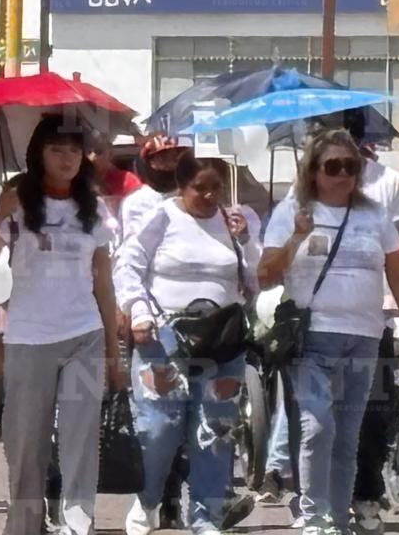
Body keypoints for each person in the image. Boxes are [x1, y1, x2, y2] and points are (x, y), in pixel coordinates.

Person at [258, 128, 399, 535]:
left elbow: (398, 277)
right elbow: (265, 276)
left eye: (352, 166)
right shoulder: (292, 211)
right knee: (318, 427)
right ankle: (315, 517)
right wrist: (297, 236)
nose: (344, 174)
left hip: (364, 335)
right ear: (313, 171)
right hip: (313, 335)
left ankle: (338, 515)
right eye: (333, 166)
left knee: (348, 431)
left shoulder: (374, 215)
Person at [0, 113, 125, 535]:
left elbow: (105, 285)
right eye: (57, 149)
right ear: (38, 153)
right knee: (26, 446)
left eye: (74, 150)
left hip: (84, 337)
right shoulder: (16, 202)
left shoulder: (91, 207)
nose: (67, 158)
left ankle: (79, 524)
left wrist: (113, 354)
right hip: (28, 339)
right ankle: (24, 525)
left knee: (80, 442)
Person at [115, 154, 260, 535]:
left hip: (222, 343)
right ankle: (148, 500)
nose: (210, 195)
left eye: (216, 187)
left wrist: (246, 240)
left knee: (215, 428)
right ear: (182, 186)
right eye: (201, 187)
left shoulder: (231, 222)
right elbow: (127, 264)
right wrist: (138, 311)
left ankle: (206, 515)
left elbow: (254, 281)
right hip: (164, 340)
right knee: (160, 428)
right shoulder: (161, 217)